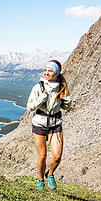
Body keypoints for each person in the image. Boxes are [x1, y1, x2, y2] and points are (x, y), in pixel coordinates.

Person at [27, 59, 71, 190]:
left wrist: (66, 99)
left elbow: (67, 107)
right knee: (42, 156)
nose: (46, 73)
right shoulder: (38, 87)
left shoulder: (62, 88)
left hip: (55, 123)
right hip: (39, 123)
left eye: (50, 71)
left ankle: (50, 174)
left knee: (57, 156)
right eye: (45, 70)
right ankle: (41, 180)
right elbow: (30, 107)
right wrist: (41, 99)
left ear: (56, 73)